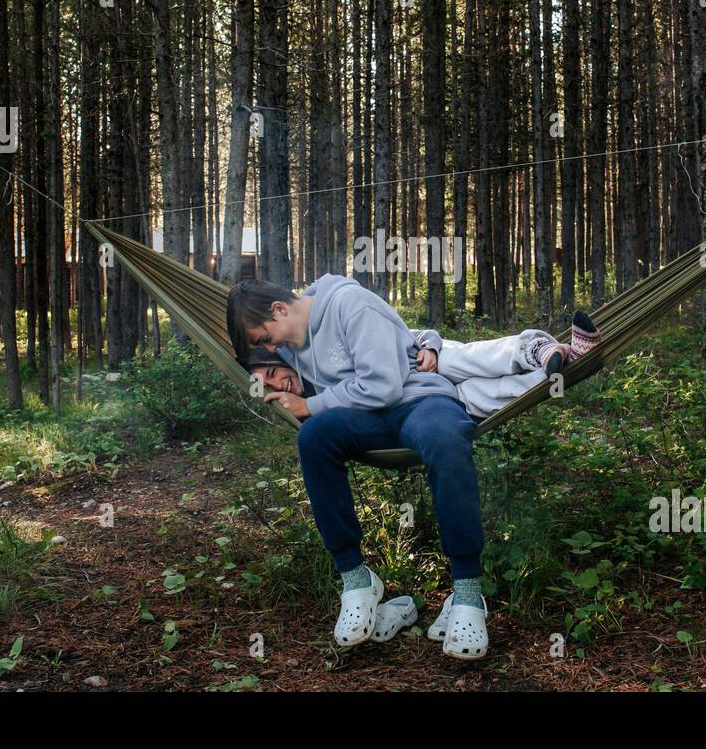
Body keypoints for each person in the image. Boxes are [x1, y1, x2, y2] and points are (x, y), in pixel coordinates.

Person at [226, 275, 600, 661]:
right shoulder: (288, 343)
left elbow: (384, 386)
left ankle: (468, 594)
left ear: (280, 308)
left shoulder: (349, 303)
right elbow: (256, 361)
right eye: (264, 347)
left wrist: (311, 406)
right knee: (313, 438)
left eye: (267, 338)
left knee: (445, 437)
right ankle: (356, 580)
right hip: (367, 420)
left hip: (418, 400)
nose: (272, 350)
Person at [245, 311, 601, 419]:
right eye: (270, 389)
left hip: (430, 363)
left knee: (474, 357)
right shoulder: (321, 400)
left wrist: (429, 346)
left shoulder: (321, 352)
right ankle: (564, 365)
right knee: (494, 396)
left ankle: (536, 349)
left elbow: (407, 331)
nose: (280, 385)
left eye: (275, 374)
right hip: (436, 399)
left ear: (282, 358)